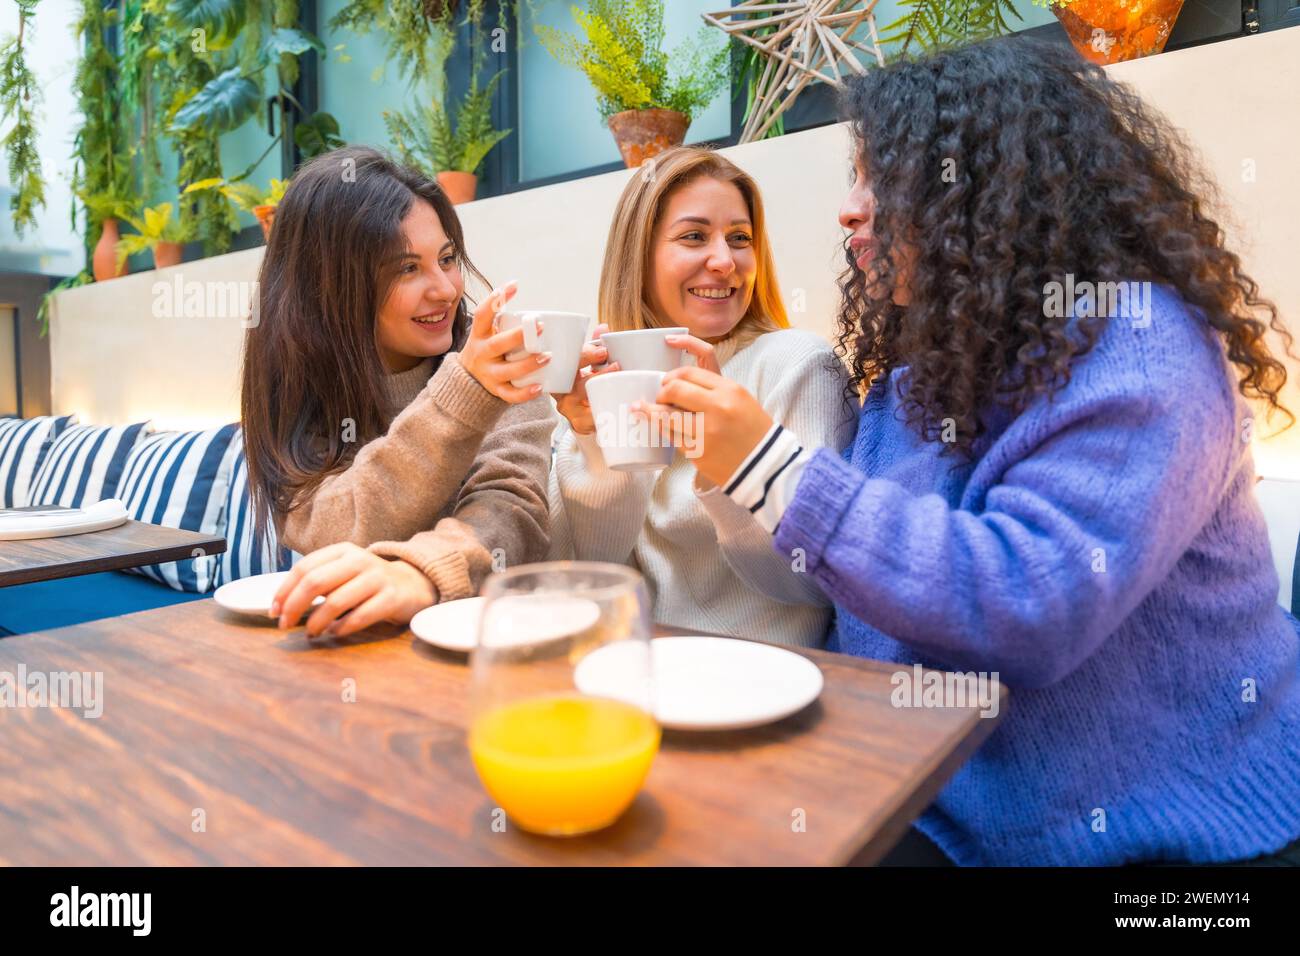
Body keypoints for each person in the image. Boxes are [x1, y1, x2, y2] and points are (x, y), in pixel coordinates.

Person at [642, 39, 1300, 865]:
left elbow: (1027, 607)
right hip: (933, 798)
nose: (849, 209)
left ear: (992, 187)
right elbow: (857, 584)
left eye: (879, 177)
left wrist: (769, 464)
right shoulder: (921, 375)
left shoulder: (1141, 351)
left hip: (1160, 834)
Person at [240, 146, 554, 638]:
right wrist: (460, 395)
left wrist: (421, 571)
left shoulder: (497, 357)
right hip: (348, 646)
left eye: (447, 259)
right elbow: (328, 526)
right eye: (407, 268)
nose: (447, 290)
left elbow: (513, 507)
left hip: (485, 641)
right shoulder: (300, 383)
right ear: (328, 288)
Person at [548, 147, 855, 647]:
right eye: (694, 237)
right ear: (638, 256)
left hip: (758, 681)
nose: (723, 260)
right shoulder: (601, 378)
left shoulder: (797, 365)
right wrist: (590, 440)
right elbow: (580, 575)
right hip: (629, 671)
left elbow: (812, 584)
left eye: (740, 239)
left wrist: (725, 465)